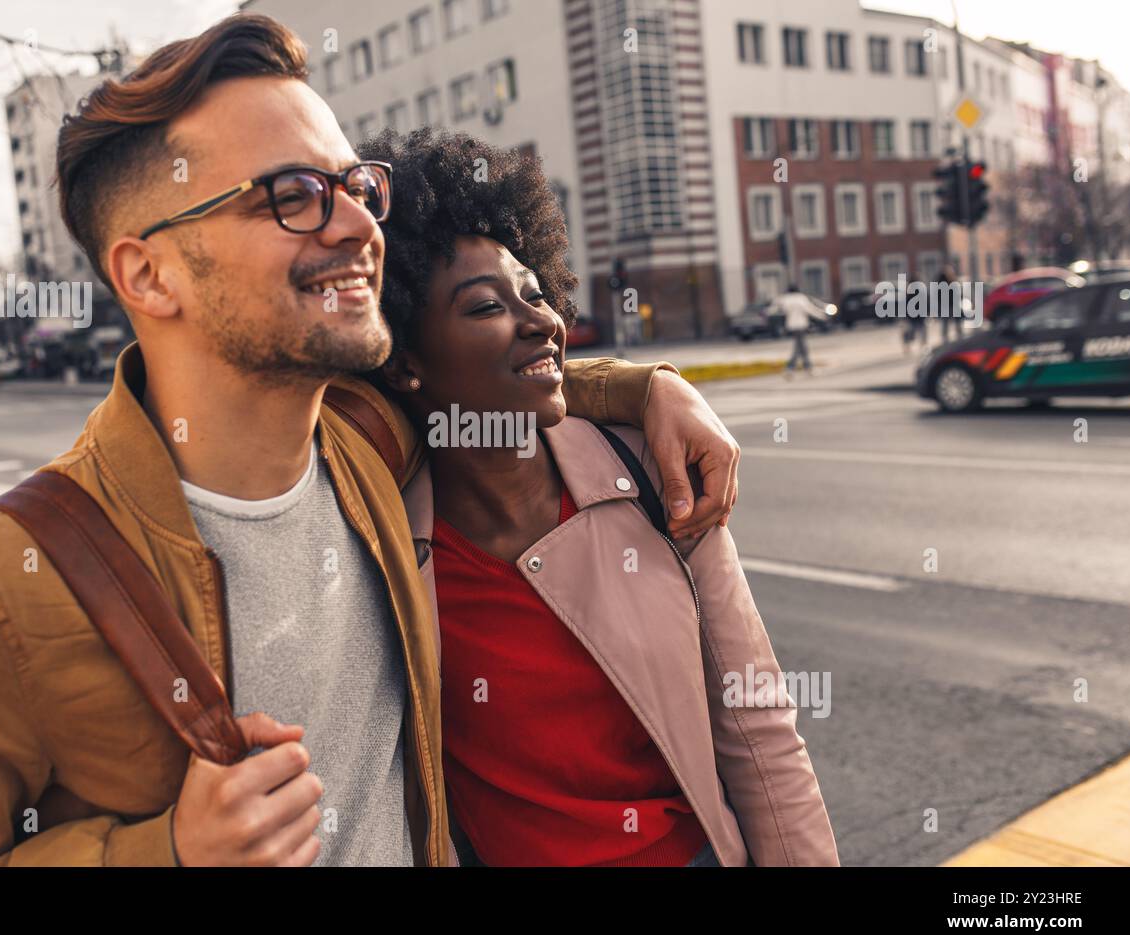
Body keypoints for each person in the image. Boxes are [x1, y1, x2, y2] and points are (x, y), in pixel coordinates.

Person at [0, 14, 743, 867]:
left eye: (356, 185)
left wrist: (647, 386)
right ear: (148, 275)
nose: (357, 226)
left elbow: (486, 374)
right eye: (292, 196)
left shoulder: (367, 445)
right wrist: (166, 854)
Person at [359, 127, 839, 867]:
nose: (545, 322)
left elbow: (758, 726)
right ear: (403, 361)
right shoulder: (381, 536)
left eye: (536, 292)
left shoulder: (651, 468)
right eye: (487, 307)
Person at [773, 284, 825, 376]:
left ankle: (806, 367)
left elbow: (777, 307)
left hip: (791, 325)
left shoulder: (786, 299)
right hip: (800, 325)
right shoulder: (801, 298)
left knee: (801, 347)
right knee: (800, 347)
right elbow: (810, 309)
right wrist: (821, 315)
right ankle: (792, 368)